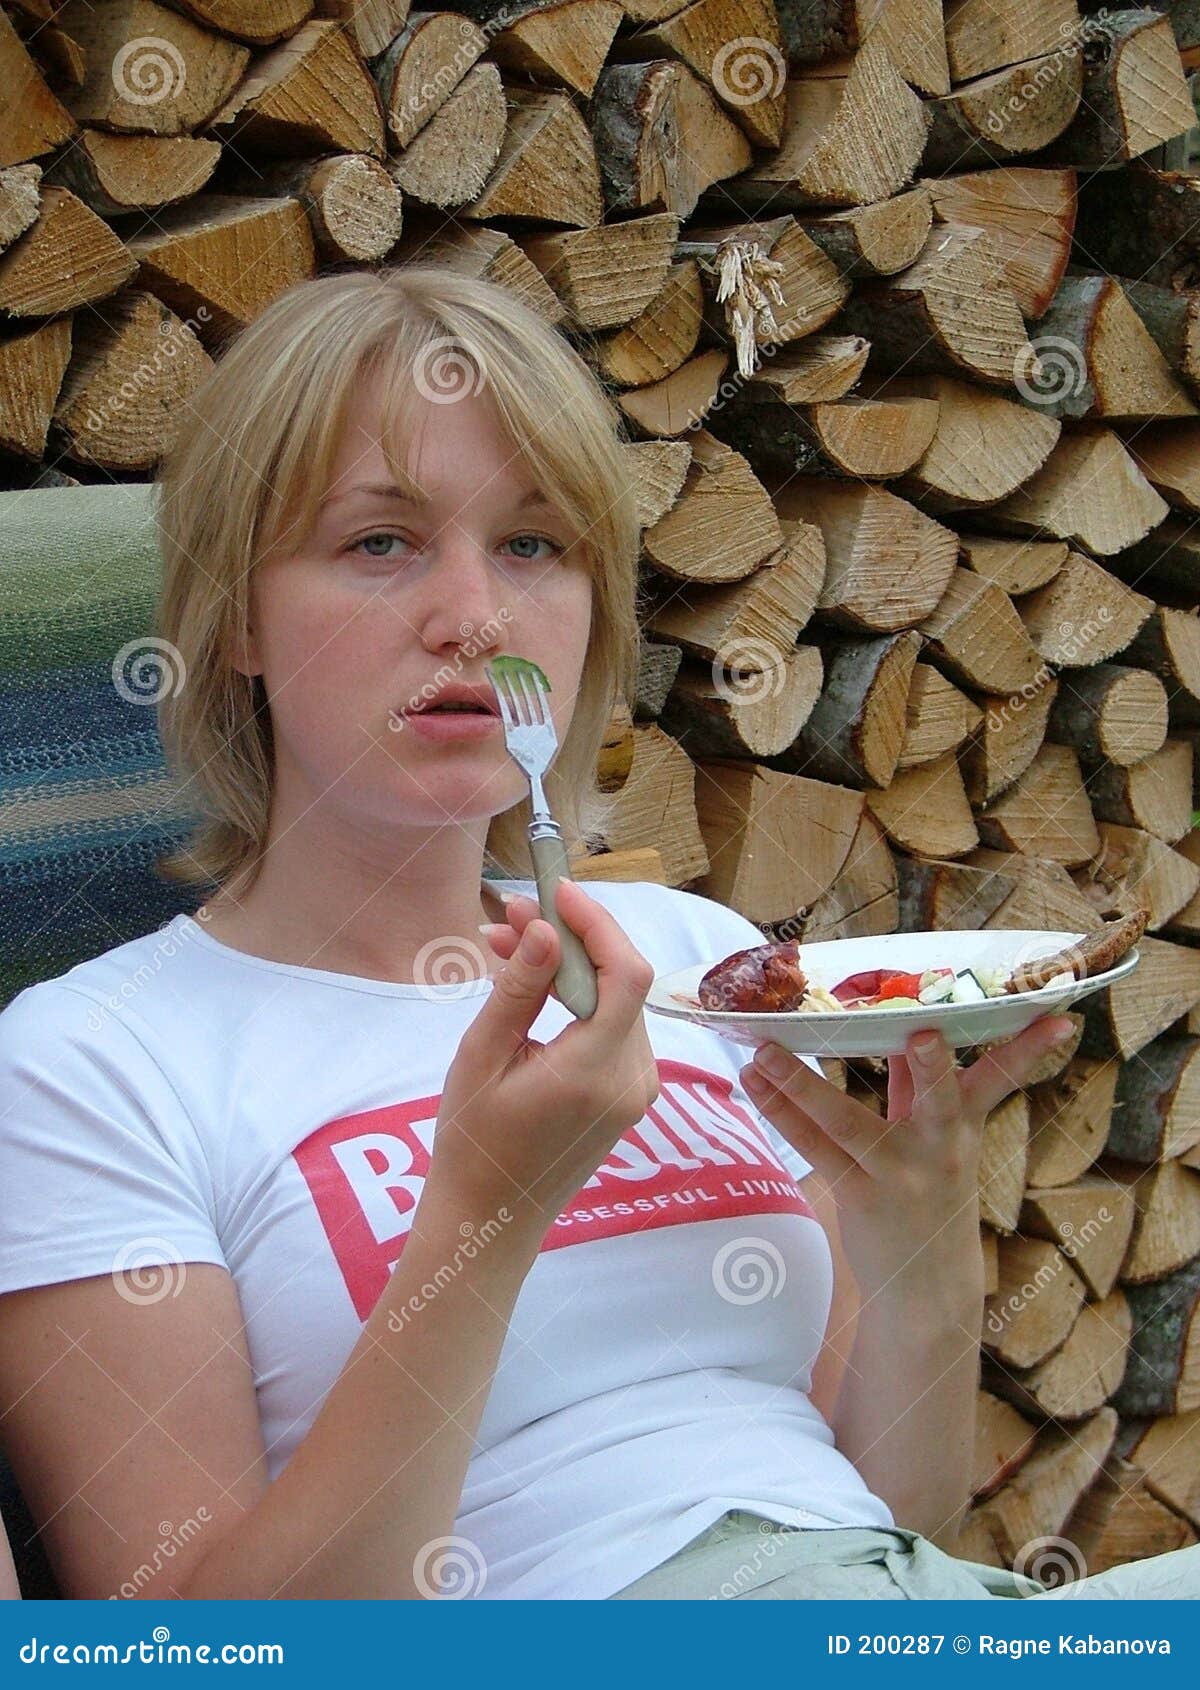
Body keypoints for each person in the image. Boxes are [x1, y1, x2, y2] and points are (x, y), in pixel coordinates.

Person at [0, 267, 1195, 1603]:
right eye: (381, 542)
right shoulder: (86, 1063)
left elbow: (892, 1514)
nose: (479, 614)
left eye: (533, 544)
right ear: (233, 618)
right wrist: (486, 1214)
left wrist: (918, 1235)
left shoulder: (695, 954)